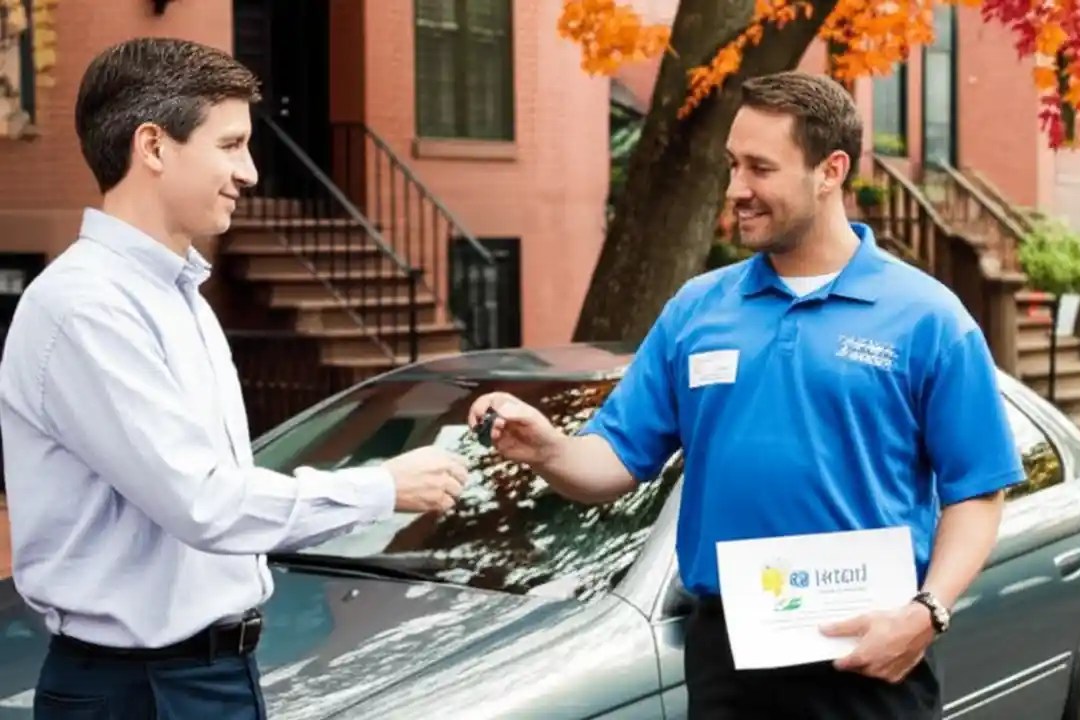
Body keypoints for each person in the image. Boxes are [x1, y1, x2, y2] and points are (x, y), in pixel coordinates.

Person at [468, 70, 1026, 719]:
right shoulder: (697, 310)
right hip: (727, 663)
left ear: (830, 170)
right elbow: (615, 461)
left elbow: (978, 491)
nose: (736, 189)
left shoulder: (928, 317)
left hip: (873, 658)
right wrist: (548, 450)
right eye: (733, 165)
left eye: (760, 168)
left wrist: (927, 612)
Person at [0, 38, 469, 719]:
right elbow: (204, 502)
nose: (249, 172)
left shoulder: (179, 295)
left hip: (210, 674)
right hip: (139, 692)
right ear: (154, 147)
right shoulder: (85, 307)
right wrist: (382, 487)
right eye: (230, 145)